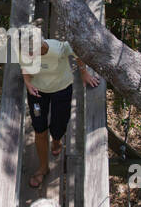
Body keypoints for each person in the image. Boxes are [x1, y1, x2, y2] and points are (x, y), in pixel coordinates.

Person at [21, 32, 100, 188]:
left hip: (61, 90)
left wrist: (84, 73)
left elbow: (78, 53)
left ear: (41, 45)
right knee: (39, 128)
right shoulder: (26, 51)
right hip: (37, 94)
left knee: (59, 125)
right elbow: (25, 68)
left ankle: (56, 140)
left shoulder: (59, 48)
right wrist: (28, 83)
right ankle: (43, 168)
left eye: (31, 51)